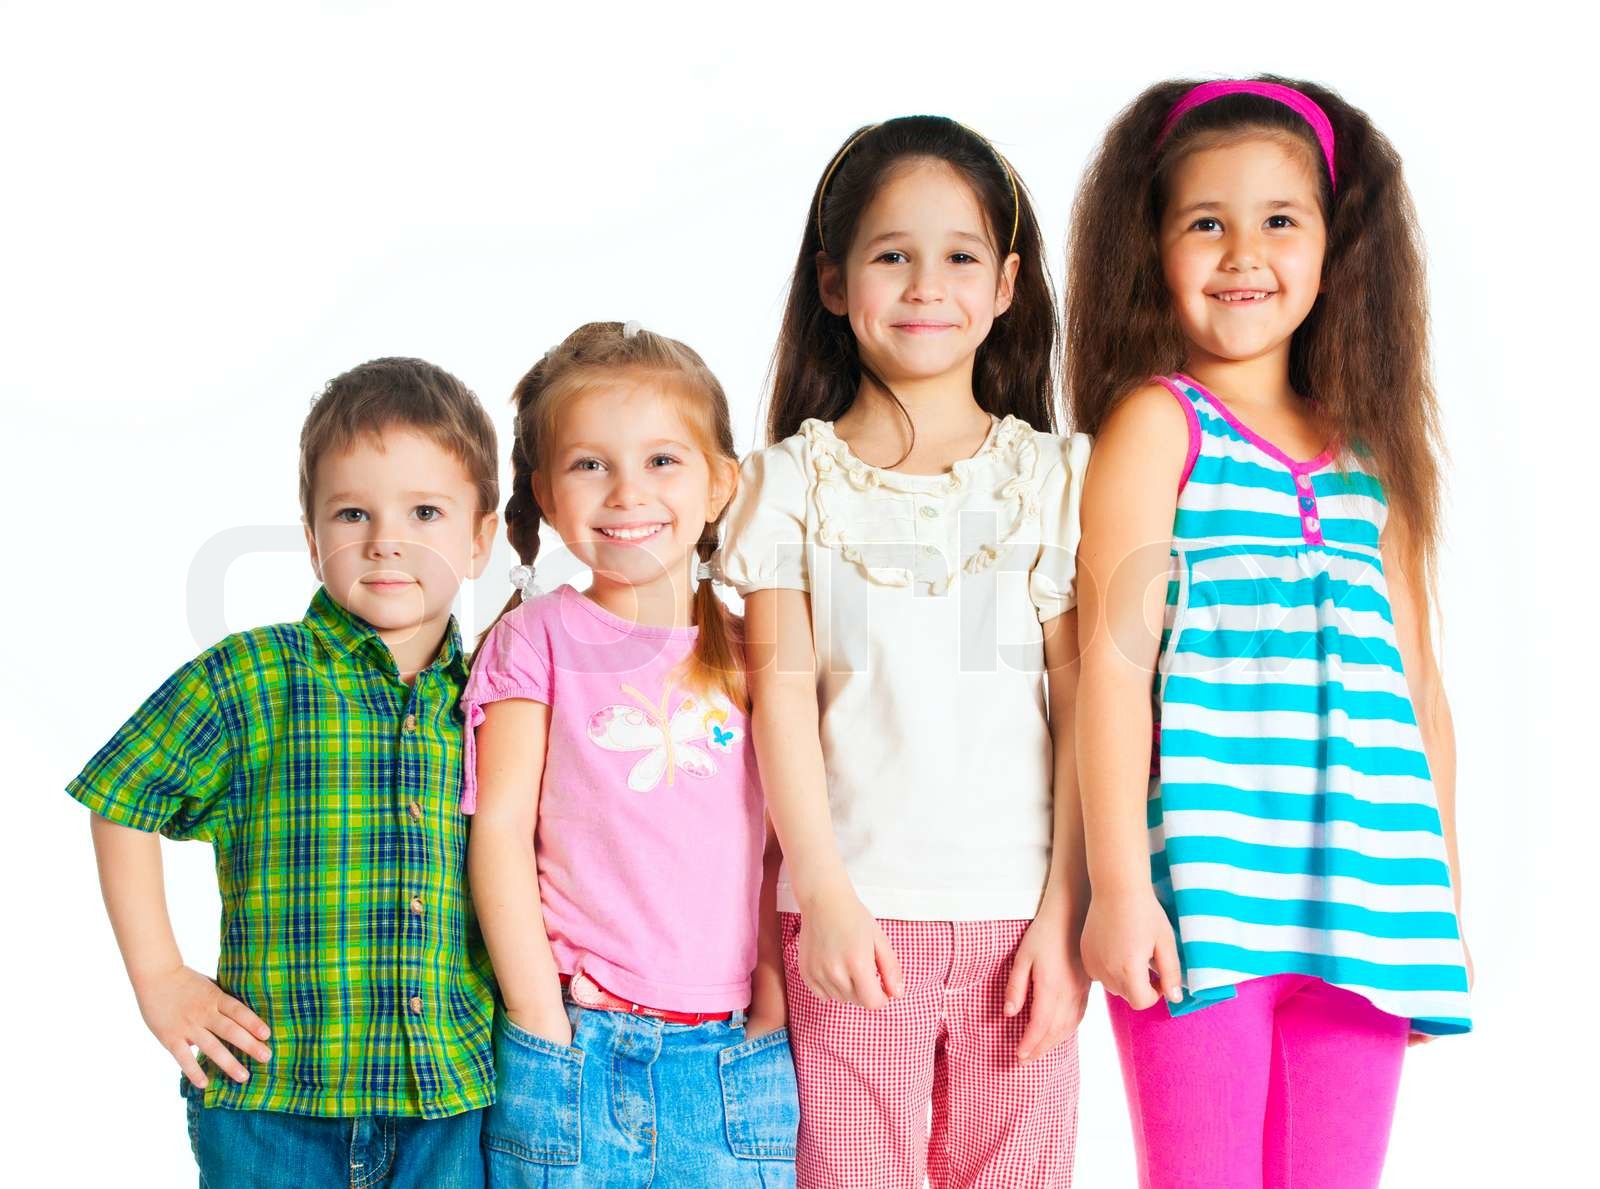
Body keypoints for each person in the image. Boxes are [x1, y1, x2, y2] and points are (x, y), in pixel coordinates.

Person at [1067, 77, 1473, 1188]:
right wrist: (1120, 886)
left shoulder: (1367, 456)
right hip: (1203, 897)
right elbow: (1109, 665)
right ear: (1152, 246)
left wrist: (1440, 908)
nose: (1243, 253)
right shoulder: (1160, 423)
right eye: (1207, 222)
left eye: (1278, 221)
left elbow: (1419, 689)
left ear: (1332, 248)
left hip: (1368, 908)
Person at [719, 116, 1092, 1188]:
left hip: (1022, 921)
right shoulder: (785, 482)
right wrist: (825, 893)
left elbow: (1086, 714)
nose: (927, 284)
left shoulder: (1056, 477)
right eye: (892, 256)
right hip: (852, 916)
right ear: (834, 283)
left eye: (960, 256)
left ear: (1008, 283)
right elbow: (779, 705)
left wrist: (1065, 914)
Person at [68, 358, 501, 1187]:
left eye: (426, 511)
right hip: (272, 1101)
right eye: (352, 512)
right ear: (310, 539)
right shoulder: (252, 677)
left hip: (449, 1097)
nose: (386, 539)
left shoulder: (496, 691)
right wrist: (160, 976)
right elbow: (119, 796)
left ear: (478, 537)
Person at [463, 321, 798, 1186]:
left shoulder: (754, 645)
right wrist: (539, 1015)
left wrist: (769, 1001)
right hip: (576, 1044)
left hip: (731, 1058)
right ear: (544, 489)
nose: (625, 491)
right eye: (589, 464)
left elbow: (776, 846)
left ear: (722, 482)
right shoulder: (534, 641)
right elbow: (498, 829)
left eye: (661, 460)